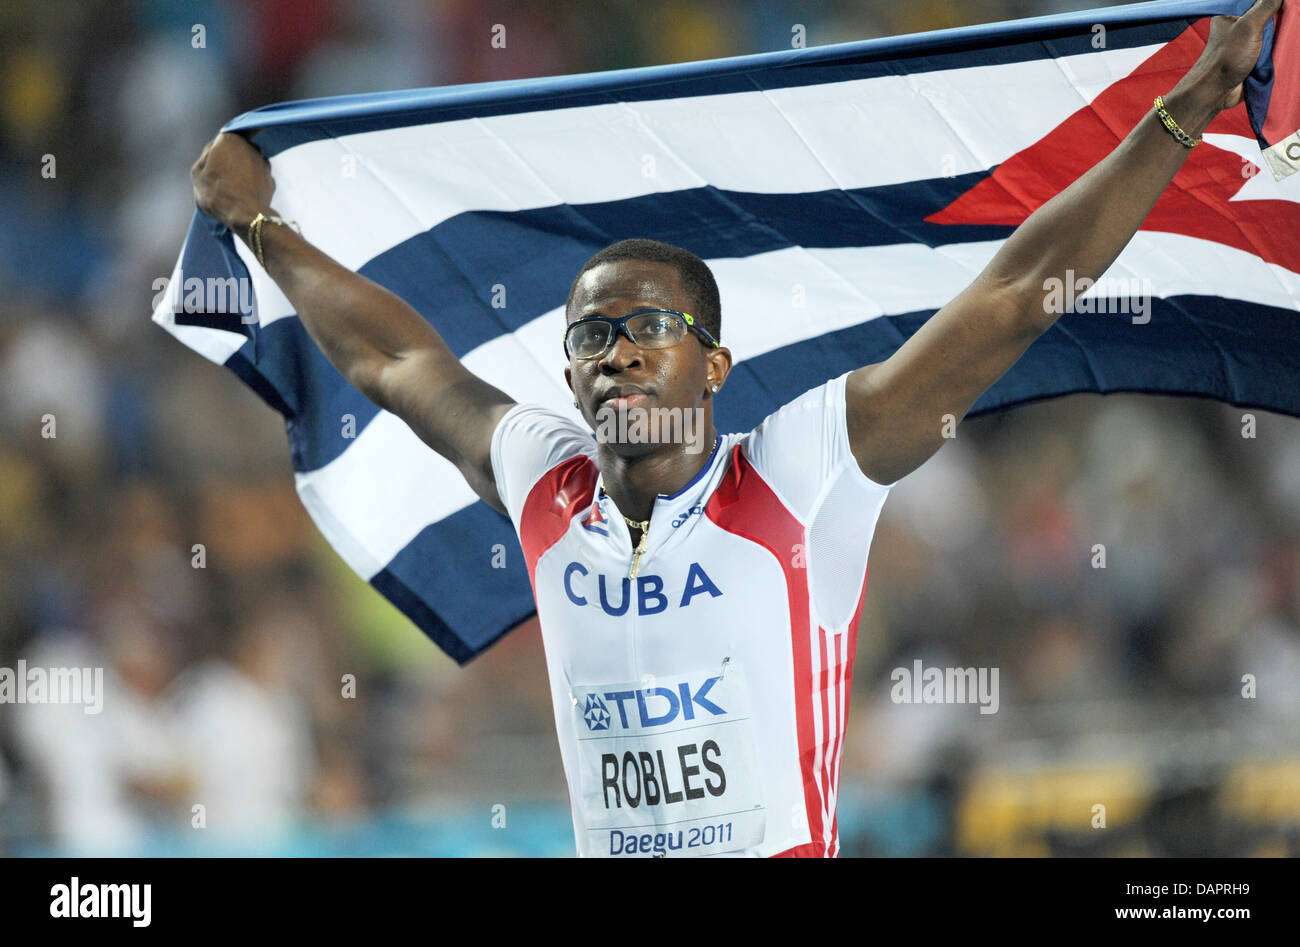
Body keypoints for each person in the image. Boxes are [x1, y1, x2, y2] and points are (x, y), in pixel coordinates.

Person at [189, 0, 1282, 857]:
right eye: (589, 336)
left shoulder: (806, 467)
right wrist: (261, 223)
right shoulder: (543, 477)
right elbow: (395, 358)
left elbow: (1015, 289)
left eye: (647, 326)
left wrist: (1181, 110)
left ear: (713, 362)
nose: (614, 350)